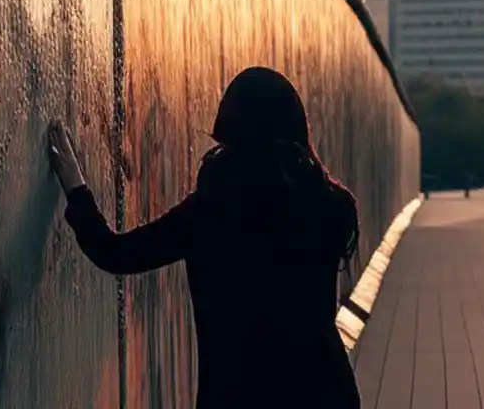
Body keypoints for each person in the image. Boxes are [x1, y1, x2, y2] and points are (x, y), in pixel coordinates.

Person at [47, 67, 362, 409]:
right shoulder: (330, 204)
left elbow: (115, 252)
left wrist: (75, 186)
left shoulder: (215, 209)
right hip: (327, 391)